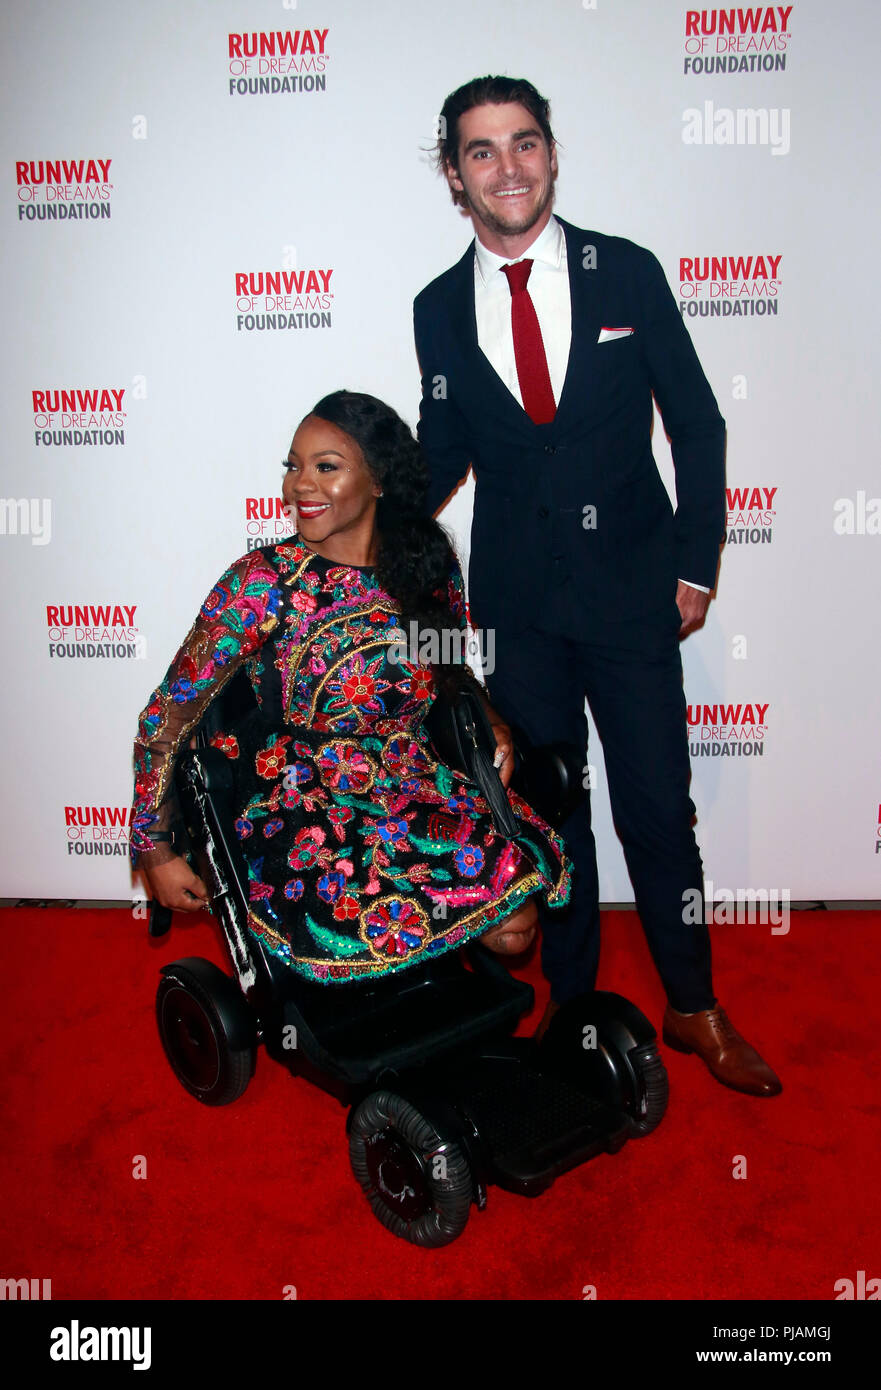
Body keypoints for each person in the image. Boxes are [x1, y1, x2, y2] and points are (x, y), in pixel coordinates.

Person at [413, 76, 781, 1095]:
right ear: (455, 176)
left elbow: (696, 424)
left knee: (659, 809)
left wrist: (690, 563)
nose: (507, 166)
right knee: (551, 813)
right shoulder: (437, 310)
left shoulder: (623, 273)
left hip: (628, 595)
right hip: (521, 609)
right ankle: (573, 1015)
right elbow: (437, 451)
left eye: (522, 142)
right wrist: (366, 510)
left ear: (551, 152)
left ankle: (692, 1005)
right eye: (481, 151)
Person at [131, 390, 571, 983]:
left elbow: (448, 665)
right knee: (358, 921)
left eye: (325, 467)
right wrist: (154, 849)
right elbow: (166, 717)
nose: (298, 486)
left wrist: (485, 713)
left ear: (379, 482)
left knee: (515, 925)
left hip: (411, 775)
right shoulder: (261, 583)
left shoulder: (425, 563)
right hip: (304, 794)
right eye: (293, 466)